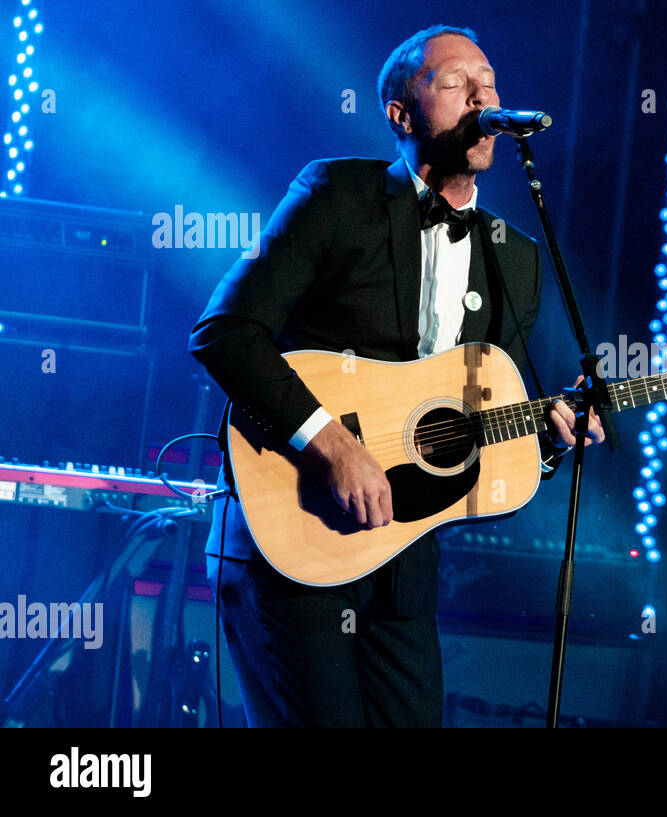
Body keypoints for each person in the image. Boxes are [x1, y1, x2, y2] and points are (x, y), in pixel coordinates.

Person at [189, 24, 604, 727]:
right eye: (453, 83)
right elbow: (224, 332)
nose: (481, 96)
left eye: (490, 83)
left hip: (404, 567)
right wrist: (332, 443)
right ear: (400, 113)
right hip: (292, 543)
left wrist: (551, 436)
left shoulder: (518, 262)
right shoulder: (338, 194)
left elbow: (474, 431)